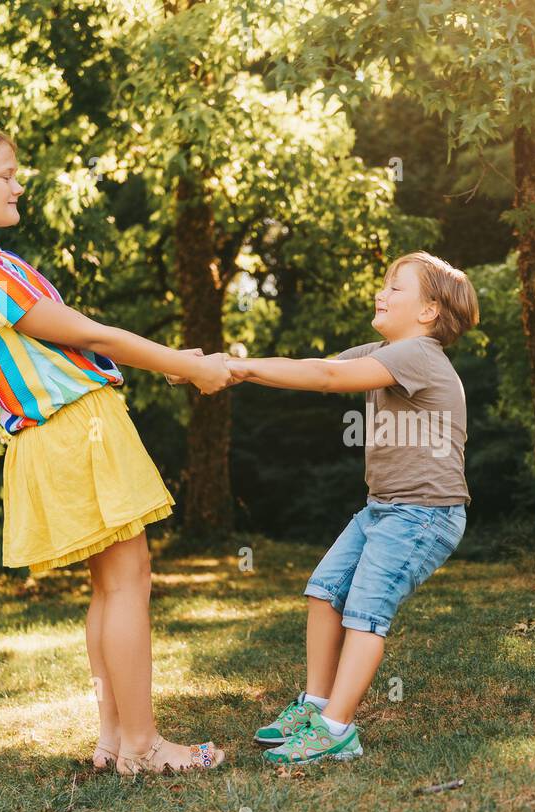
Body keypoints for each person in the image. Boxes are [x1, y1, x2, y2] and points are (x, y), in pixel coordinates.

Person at [0, 127, 232, 776]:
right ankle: (143, 744)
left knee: (112, 584)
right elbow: (85, 330)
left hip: (60, 433)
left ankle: (115, 739)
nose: (18, 184)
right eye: (5, 174)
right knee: (127, 578)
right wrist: (178, 362)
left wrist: (171, 364)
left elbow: (72, 341)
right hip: (73, 429)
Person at [196, 251, 478, 764]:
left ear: (429, 312)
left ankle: (336, 730)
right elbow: (312, 369)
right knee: (324, 592)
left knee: (365, 613)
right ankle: (316, 704)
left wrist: (236, 367)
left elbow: (327, 377)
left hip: (423, 514)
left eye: (396, 287)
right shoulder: (386, 351)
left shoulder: (418, 354)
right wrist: (225, 369)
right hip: (383, 510)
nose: (382, 293)